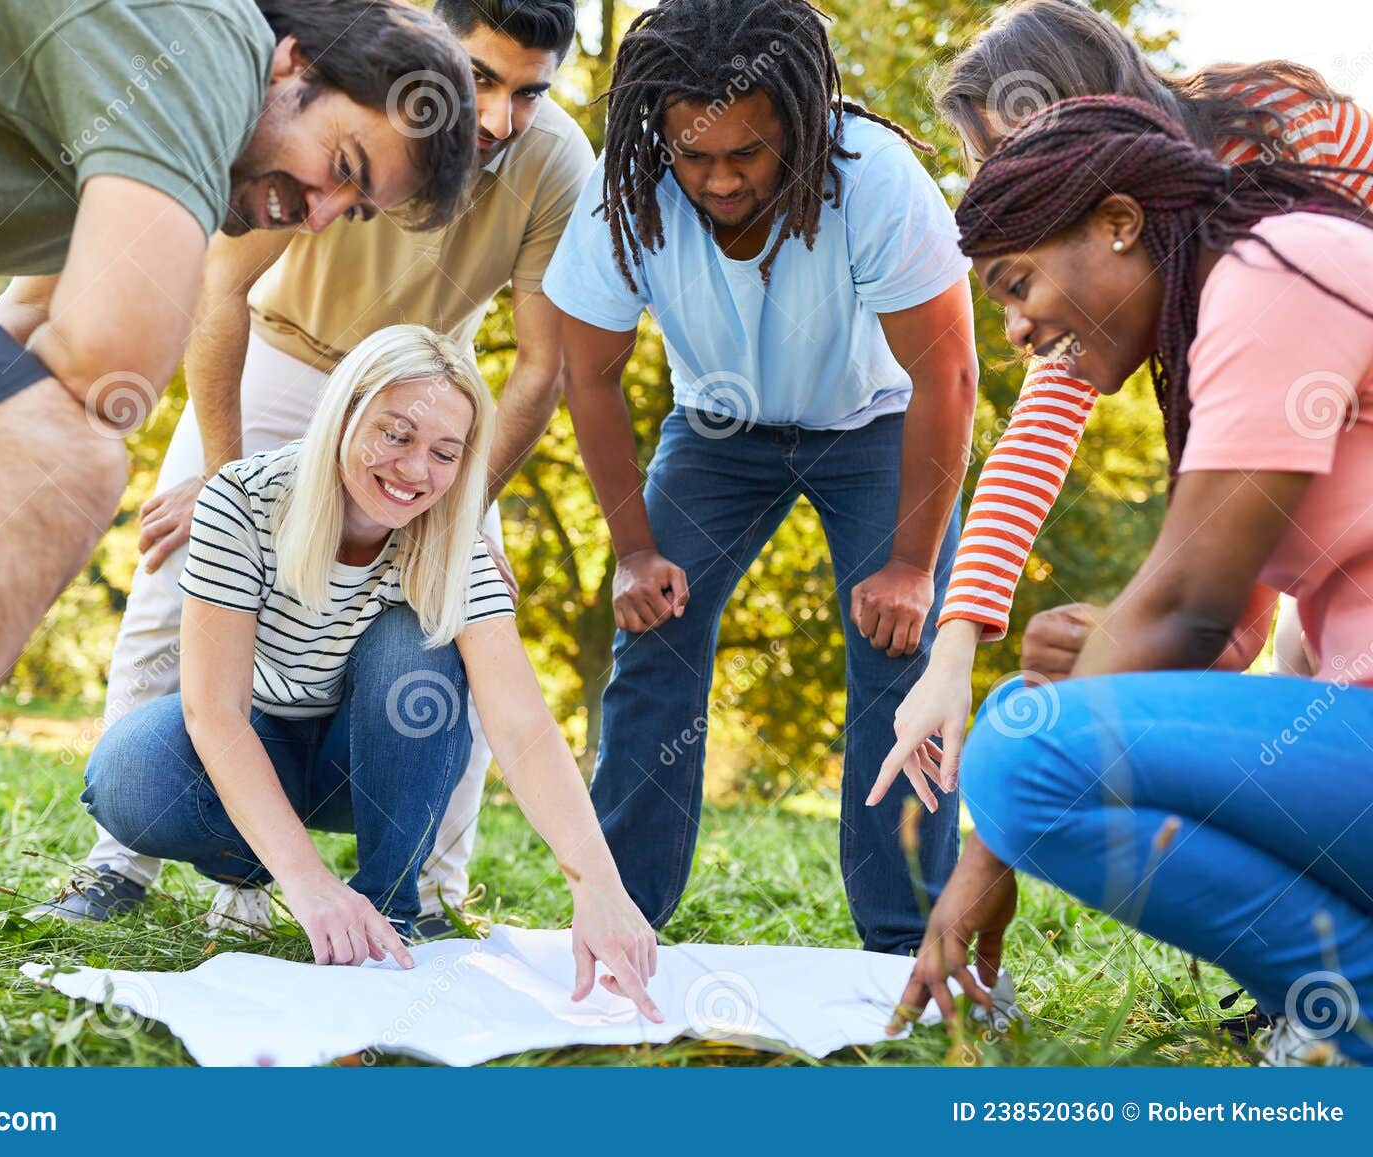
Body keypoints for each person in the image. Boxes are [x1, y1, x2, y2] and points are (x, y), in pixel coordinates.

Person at [0, 0, 476, 1066]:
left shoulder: (142, 133)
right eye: (339, 160)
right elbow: (102, 365)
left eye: (352, 206)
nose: (317, 209)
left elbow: (20, 320)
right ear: (295, 59)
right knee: (56, 465)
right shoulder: (200, 45)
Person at [34, 0, 593, 937]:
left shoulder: (555, 163)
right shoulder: (355, 100)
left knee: (458, 617)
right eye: (481, 80)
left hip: (421, 397)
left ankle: (430, 890)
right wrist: (224, 477)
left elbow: (541, 365)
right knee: (174, 580)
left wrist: (460, 514)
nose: (498, 120)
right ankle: (117, 866)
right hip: (281, 359)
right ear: (434, 42)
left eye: (529, 92)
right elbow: (223, 284)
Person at [892, 95, 1373, 1067]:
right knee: (1036, 725)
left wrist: (988, 845)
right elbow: (1224, 624)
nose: (1018, 331)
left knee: (1018, 757)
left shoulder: (1274, 271)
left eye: (1017, 284)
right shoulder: (1223, 313)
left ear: (1117, 222)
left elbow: (1188, 609)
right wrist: (1099, 649)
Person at [542, 0, 979, 954]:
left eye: (748, 153)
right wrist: (631, 552)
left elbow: (948, 376)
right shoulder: (627, 191)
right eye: (695, 156)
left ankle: (906, 943)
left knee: (899, 657)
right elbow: (592, 376)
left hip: (877, 424)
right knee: (652, 633)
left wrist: (911, 566)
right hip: (718, 429)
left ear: (800, 122)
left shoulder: (876, 181)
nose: (720, 178)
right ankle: (620, 920)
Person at [873, 0, 1373, 808]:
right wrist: (953, 649)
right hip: (1298, 472)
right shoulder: (1102, 272)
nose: (1013, 186)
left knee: (1305, 659)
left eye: (1016, 152)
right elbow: (1033, 441)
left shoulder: (1284, 134)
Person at [83, 325, 662, 1019]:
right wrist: (307, 882)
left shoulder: (456, 546)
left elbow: (523, 725)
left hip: (363, 767)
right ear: (345, 414)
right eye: (396, 434)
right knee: (129, 773)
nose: (416, 470)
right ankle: (251, 871)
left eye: (445, 453)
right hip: (255, 741)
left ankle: (392, 908)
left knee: (412, 640)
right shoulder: (243, 500)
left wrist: (597, 884)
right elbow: (215, 711)